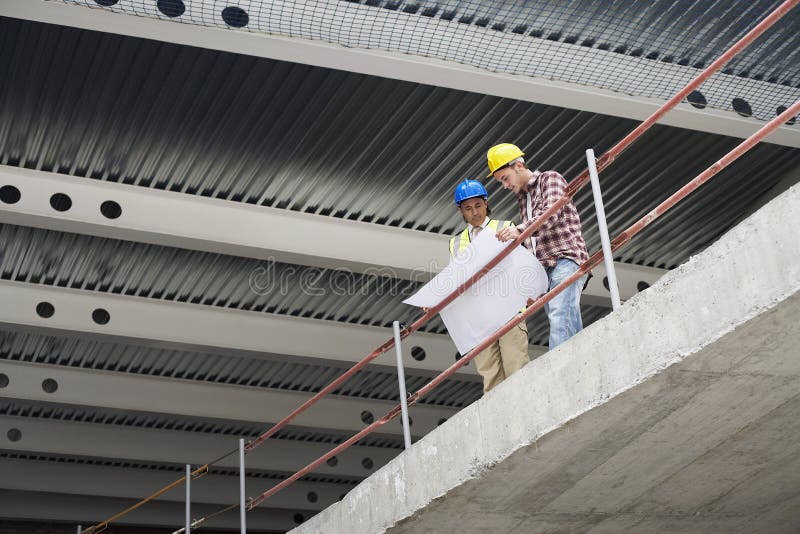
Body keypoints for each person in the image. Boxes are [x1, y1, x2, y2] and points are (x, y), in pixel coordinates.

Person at [488, 143, 589, 350]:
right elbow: (533, 242)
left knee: (560, 313)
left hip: (565, 259)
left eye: (505, 178)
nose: (505, 186)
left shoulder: (549, 179)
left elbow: (551, 213)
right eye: (500, 182)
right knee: (566, 318)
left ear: (518, 165)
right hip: (547, 269)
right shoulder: (523, 199)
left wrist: (519, 230)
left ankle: (559, 369)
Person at [448, 179, 530, 393]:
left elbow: (521, 262)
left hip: (509, 309)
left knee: (517, 369)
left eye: (477, 205)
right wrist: (435, 302)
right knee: (490, 378)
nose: (474, 212)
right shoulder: (455, 243)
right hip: (480, 319)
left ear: (486, 203)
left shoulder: (505, 227)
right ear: (461, 211)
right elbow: (456, 279)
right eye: (467, 208)